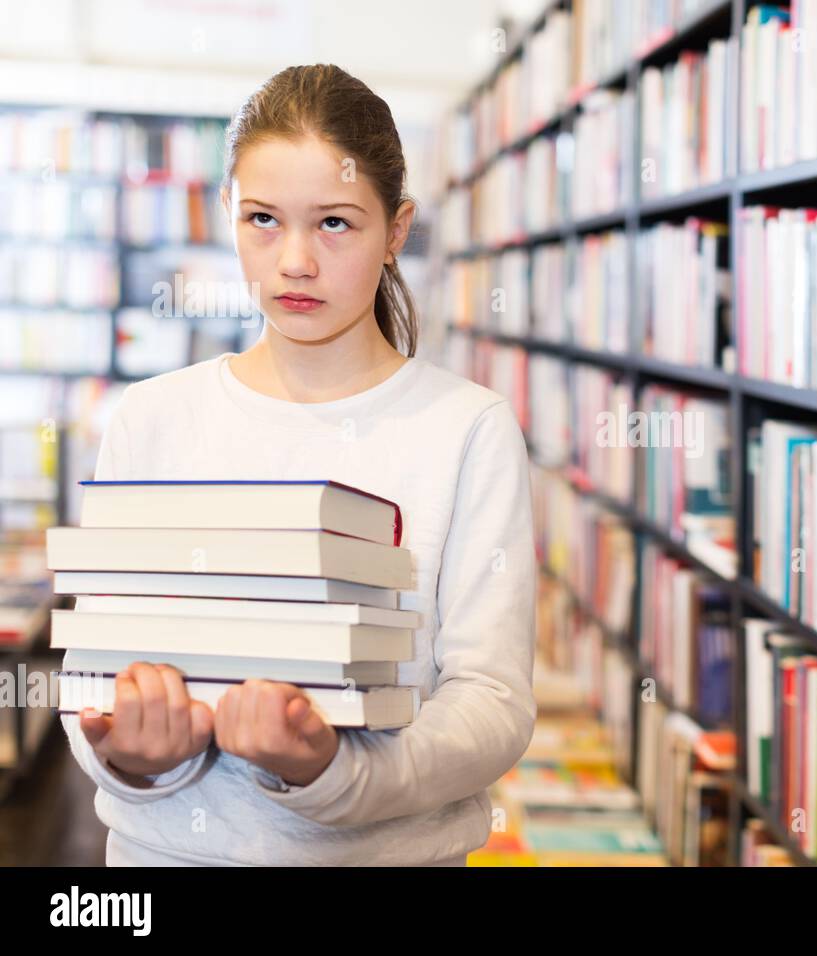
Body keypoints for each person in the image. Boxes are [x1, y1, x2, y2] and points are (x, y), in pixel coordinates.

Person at [59, 64, 537, 865]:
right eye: (263, 220)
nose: (295, 261)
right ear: (229, 218)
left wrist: (335, 774)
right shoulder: (150, 419)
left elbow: (491, 704)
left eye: (336, 224)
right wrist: (133, 754)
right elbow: (91, 683)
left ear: (397, 230)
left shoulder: (468, 430)